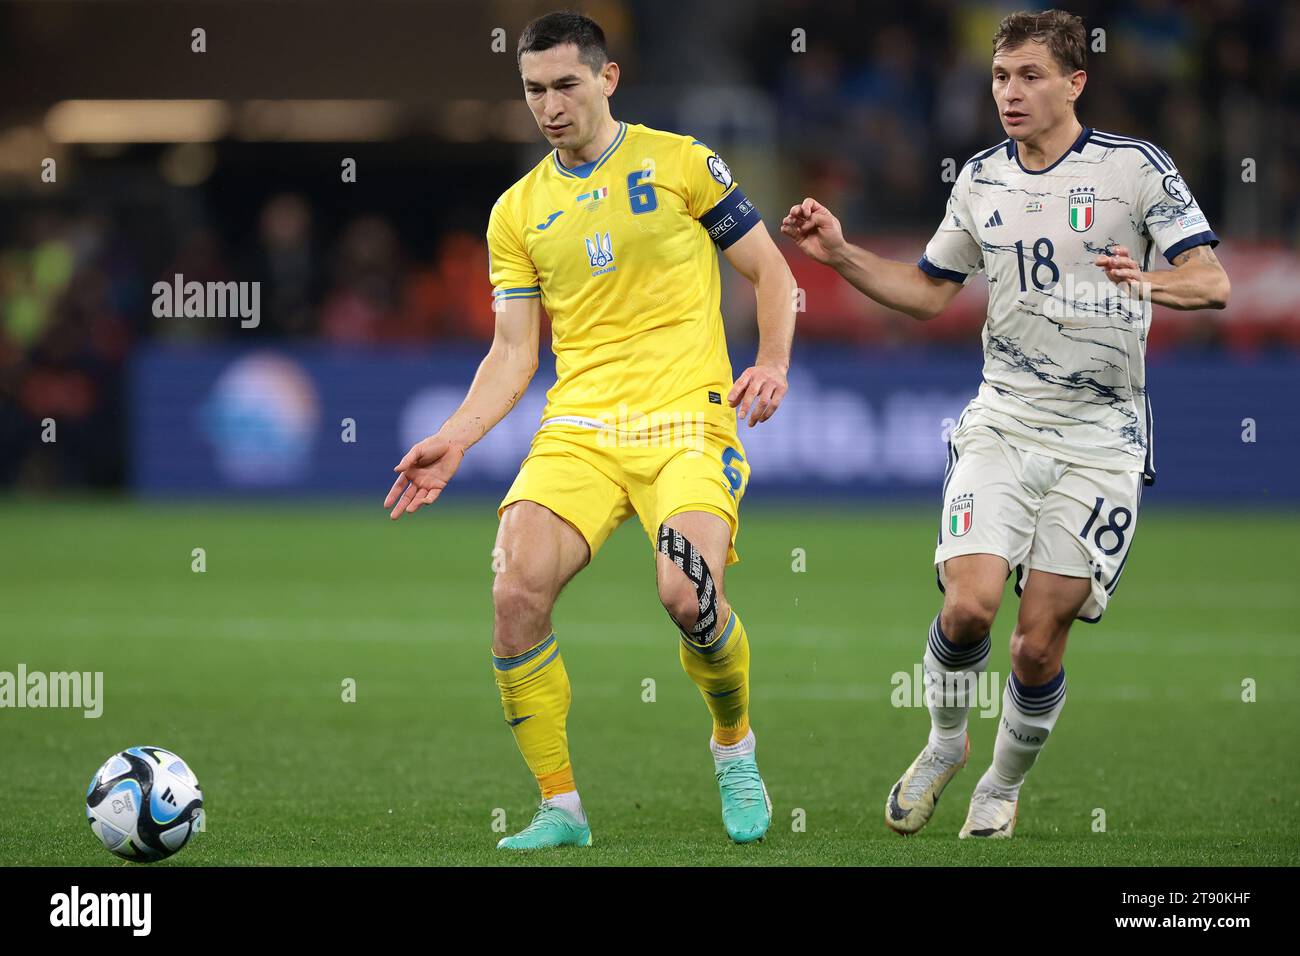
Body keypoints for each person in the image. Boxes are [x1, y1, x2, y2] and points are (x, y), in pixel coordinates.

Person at [781, 8, 1229, 839]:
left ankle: (1001, 781)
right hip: (1004, 421)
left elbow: (1213, 283)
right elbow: (926, 293)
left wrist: (1148, 285)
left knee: (1035, 644)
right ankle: (945, 743)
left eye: (1029, 76)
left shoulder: (1135, 170)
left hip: (1103, 436)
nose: (1010, 93)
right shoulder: (981, 178)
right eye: (999, 77)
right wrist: (840, 254)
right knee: (971, 609)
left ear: (1074, 82)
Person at [386, 11, 796, 850]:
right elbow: (511, 353)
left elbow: (771, 270)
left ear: (607, 79)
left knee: (687, 595)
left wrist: (774, 360)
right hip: (579, 428)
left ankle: (733, 745)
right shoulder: (517, 212)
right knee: (513, 597)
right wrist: (457, 436)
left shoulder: (682, 163)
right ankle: (560, 807)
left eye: (566, 84)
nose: (550, 105)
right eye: (534, 90)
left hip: (688, 419)